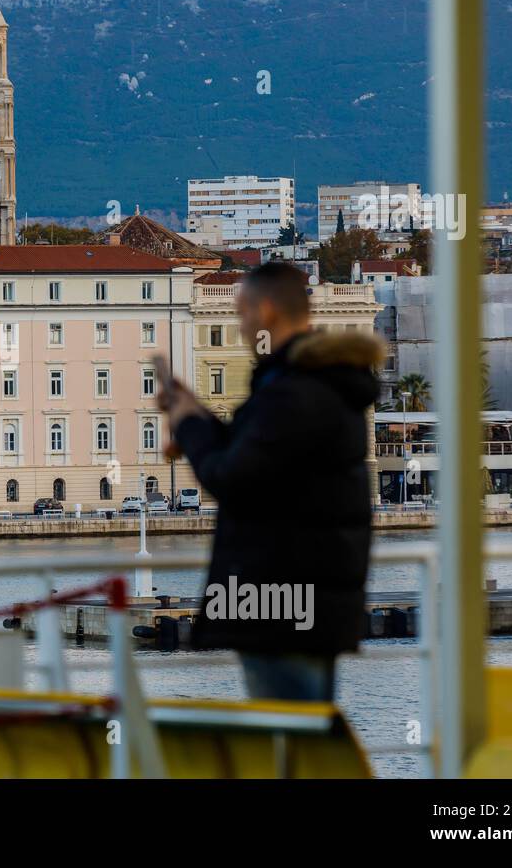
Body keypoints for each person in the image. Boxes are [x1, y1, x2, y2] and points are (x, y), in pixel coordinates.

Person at [155, 262, 382, 701]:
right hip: (304, 597)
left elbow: (231, 477)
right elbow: (254, 455)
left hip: (283, 603)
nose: (241, 326)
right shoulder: (312, 385)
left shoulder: (293, 392)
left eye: (243, 314)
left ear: (267, 311)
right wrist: (195, 413)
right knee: (302, 738)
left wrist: (187, 424)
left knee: (292, 744)